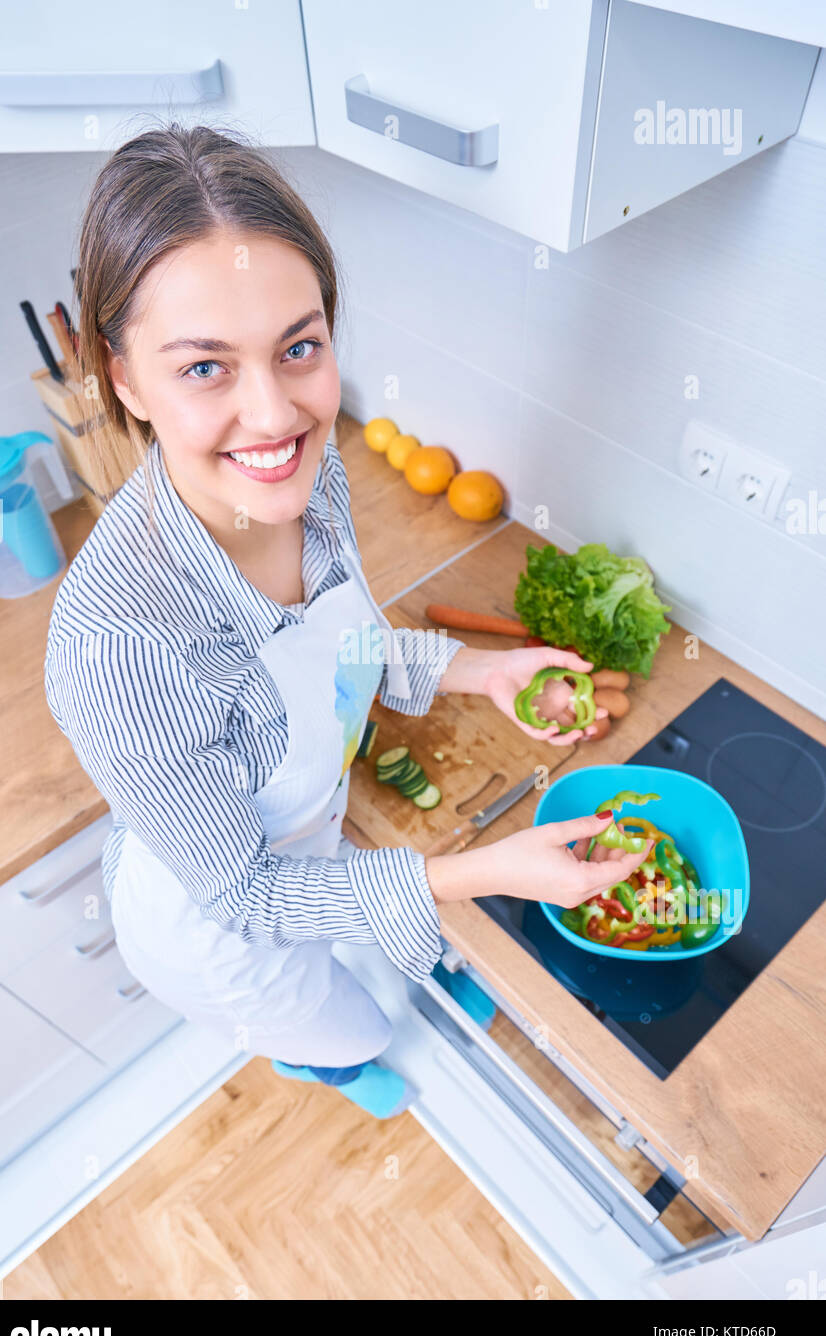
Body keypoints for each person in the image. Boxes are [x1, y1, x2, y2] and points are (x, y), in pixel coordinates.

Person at [44, 121, 653, 1121]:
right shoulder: (120, 646)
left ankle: (390, 962)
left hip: (315, 844)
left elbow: (341, 649)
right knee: (346, 1027)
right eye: (204, 367)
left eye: (299, 347)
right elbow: (245, 895)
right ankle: (320, 1065)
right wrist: (472, 875)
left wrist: (478, 672)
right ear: (124, 380)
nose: (274, 413)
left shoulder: (308, 473)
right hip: (223, 927)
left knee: (366, 940)